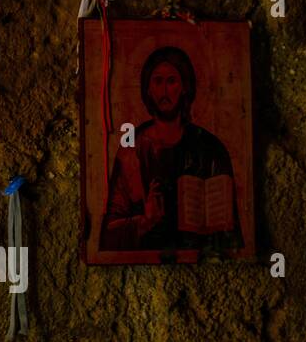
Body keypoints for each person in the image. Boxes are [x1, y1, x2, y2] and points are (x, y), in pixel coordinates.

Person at [100, 46, 242, 252]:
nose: (164, 91)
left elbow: (229, 234)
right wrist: (146, 221)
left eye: (171, 81)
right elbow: (109, 234)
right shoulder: (132, 148)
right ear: (148, 89)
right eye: (157, 81)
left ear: (184, 87)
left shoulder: (210, 148)